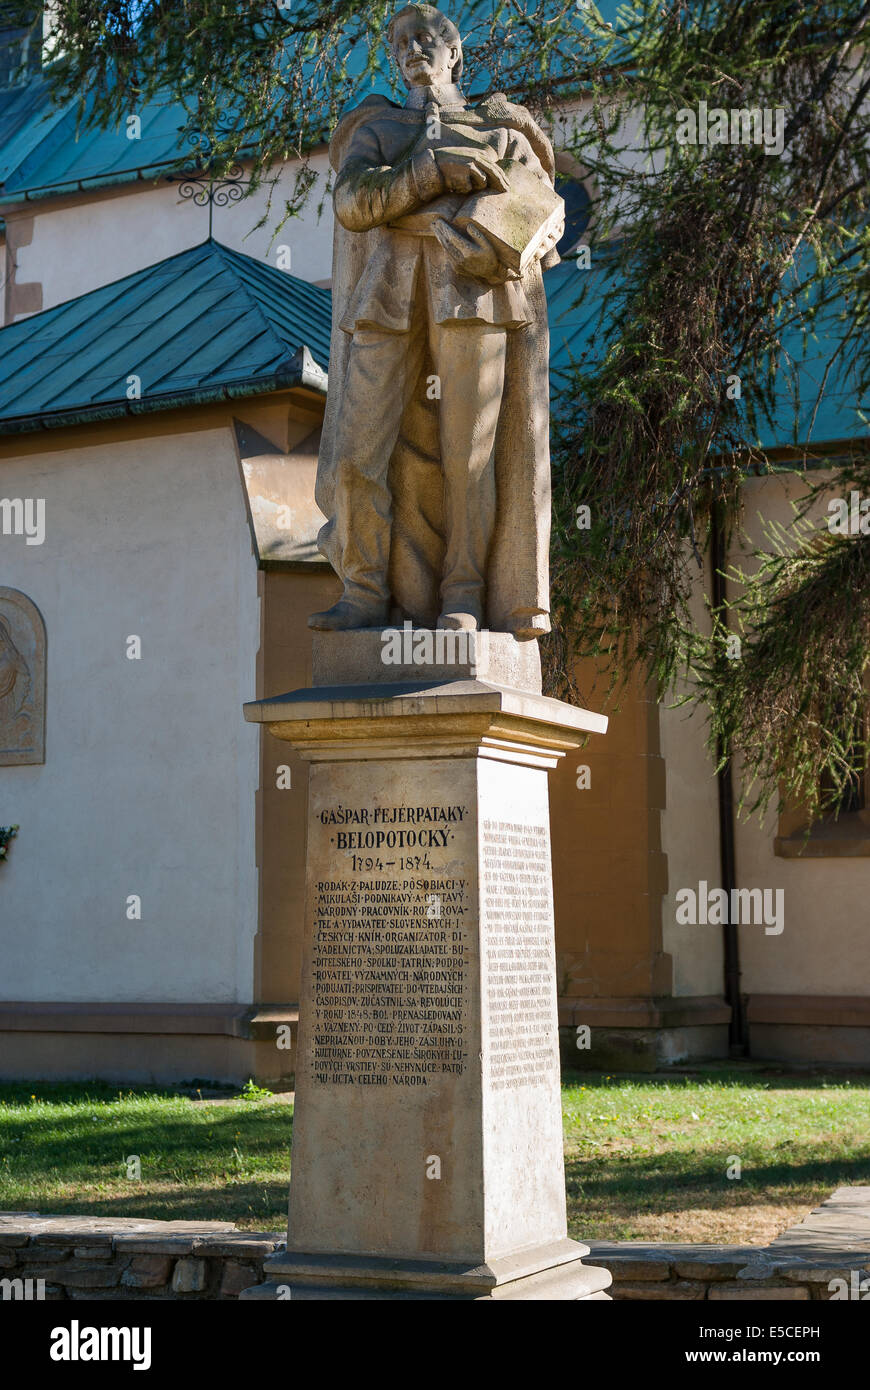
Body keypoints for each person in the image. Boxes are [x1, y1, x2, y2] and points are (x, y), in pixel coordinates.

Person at [310, 3, 563, 638]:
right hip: (387, 300)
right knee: (357, 451)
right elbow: (354, 203)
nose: (413, 48)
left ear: (454, 53)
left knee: (469, 454)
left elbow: (540, 218)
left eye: (428, 38)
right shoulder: (375, 127)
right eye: (401, 42)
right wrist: (430, 173)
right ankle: (365, 589)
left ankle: (466, 592)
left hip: (473, 295)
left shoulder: (500, 129)